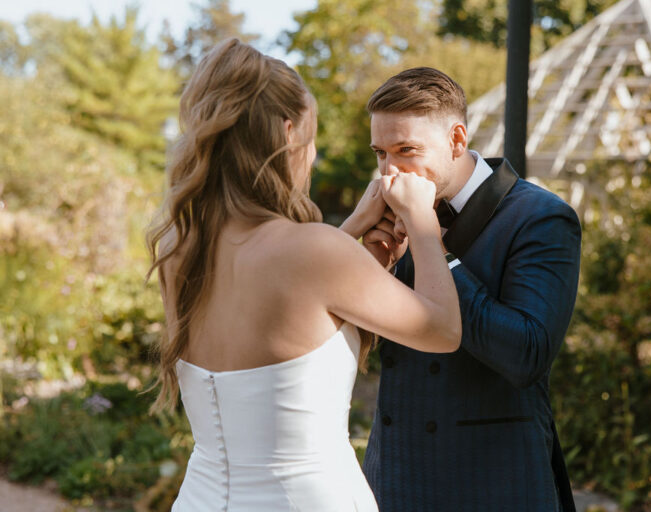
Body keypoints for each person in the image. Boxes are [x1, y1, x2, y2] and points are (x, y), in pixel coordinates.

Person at [145, 40, 461, 512]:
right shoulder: (315, 252)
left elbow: (298, 315)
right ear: (289, 133)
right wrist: (422, 226)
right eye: (312, 139)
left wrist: (349, 232)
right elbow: (442, 329)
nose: (311, 156)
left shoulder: (179, 249)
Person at [358, 67, 582, 512]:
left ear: (457, 141)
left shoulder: (540, 217)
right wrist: (371, 267)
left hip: (494, 484)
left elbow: (526, 354)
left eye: (407, 150)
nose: (391, 172)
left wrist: (429, 241)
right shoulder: (385, 218)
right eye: (381, 154)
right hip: (393, 481)